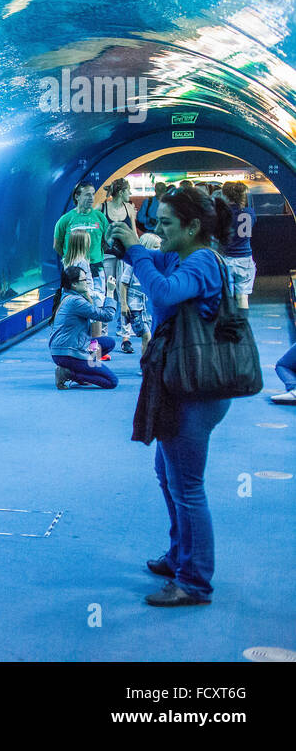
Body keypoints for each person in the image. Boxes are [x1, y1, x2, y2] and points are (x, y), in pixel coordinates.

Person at [111, 186, 233, 607]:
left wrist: (137, 251)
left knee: (187, 487)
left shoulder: (200, 261)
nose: (156, 230)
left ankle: (194, 582)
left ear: (193, 226)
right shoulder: (184, 256)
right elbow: (155, 265)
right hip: (185, 384)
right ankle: (181, 554)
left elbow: (162, 292)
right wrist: (128, 245)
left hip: (194, 389)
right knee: (169, 474)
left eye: (165, 224)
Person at [50, 265, 119, 389]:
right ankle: (69, 373)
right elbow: (107, 316)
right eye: (84, 280)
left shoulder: (69, 296)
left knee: (109, 342)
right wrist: (110, 292)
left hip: (70, 347)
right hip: (68, 353)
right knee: (111, 381)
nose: (87, 282)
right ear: (74, 284)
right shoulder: (76, 302)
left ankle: (89, 367)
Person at [118, 232, 161, 355]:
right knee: (146, 336)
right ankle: (145, 368)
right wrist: (124, 304)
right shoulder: (133, 263)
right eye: (156, 246)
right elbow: (123, 283)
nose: (159, 250)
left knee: (150, 338)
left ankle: (147, 366)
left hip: (148, 308)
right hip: (135, 306)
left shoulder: (156, 265)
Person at [219, 181, 256, 310]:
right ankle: (243, 325)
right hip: (245, 259)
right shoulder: (250, 212)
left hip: (227, 259)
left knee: (227, 297)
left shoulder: (222, 214)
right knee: (243, 297)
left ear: (226, 195)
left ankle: (229, 326)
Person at [100, 178, 137, 295]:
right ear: (121, 192)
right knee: (108, 289)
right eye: (128, 190)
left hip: (125, 255)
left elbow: (134, 233)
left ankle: (122, 312)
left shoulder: (129, 208)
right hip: (107, 255)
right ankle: (109, 312)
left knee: (124, 287)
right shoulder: (101, 208)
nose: (130, 194)